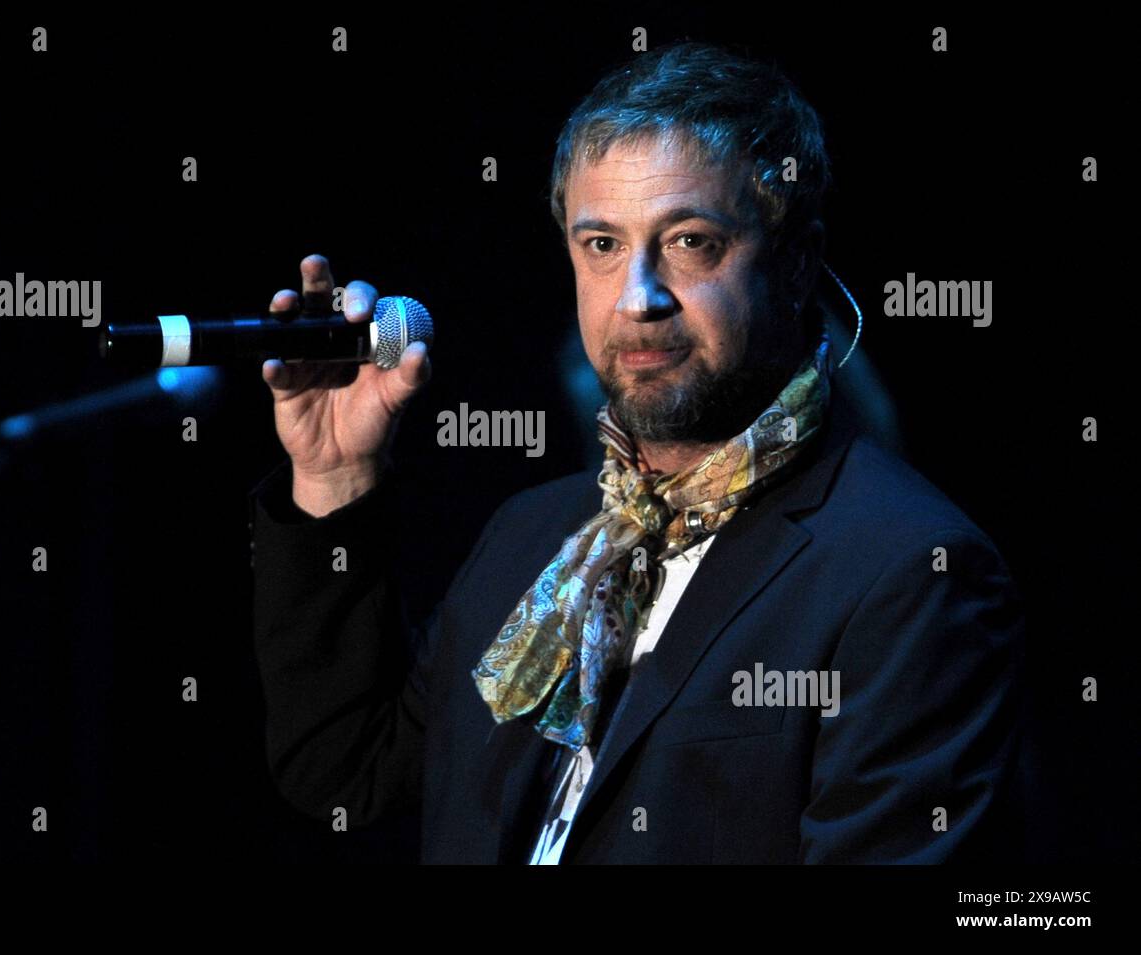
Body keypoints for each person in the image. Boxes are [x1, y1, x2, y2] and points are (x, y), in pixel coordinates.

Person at [248, 41, 1025, 864]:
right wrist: (333, 476)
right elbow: (345, 770)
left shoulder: (909, 574)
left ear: (797, 262)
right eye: (602, 245)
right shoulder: (533, 535)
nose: (638, 298)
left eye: (690, 242)